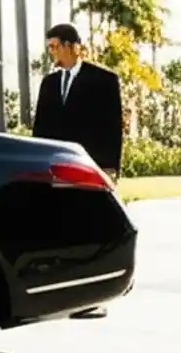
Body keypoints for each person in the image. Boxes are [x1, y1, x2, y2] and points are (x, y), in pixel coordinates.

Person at [32, 23, 125, 319]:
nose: (52, 53)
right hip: (56, 171)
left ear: (73, 45)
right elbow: (40, 131)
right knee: (60, 230)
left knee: (91, 230)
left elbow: (113, 127)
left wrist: (109, 167)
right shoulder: (48, 84)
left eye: (55, 46)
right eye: (49, 48)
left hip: (90, 168)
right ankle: (63, 293)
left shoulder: (104, 80)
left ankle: (94, 297)